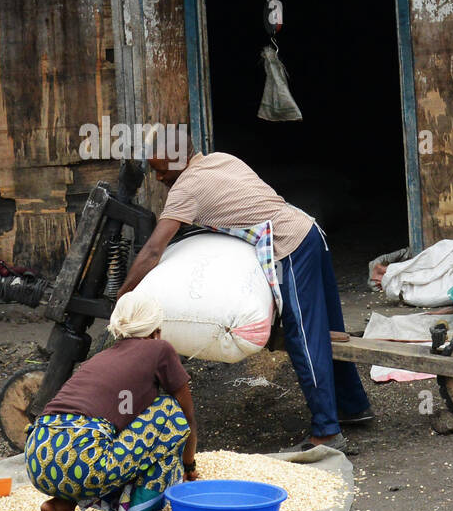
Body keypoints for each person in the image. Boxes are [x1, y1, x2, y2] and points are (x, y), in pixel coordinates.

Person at [119, 137, 371, 454]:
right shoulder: (220, 159)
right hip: (309, 231)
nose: (158, 179)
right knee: (330, 333)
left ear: (177, 161)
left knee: (304, 339)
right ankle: (353, 406)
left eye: (159, 171)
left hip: (290, 245)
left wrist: (124, 294)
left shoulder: (186, 189)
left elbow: (154, 250)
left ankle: (326, 433)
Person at [25, 293, 196, 511]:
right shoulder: (159, 349)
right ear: (156, 330)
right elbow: (188, 416)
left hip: (37, 455)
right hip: (83, 460)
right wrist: (189, 466)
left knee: (107, 434)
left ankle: (61, 508)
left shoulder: (102, 357)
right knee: (170, 411)